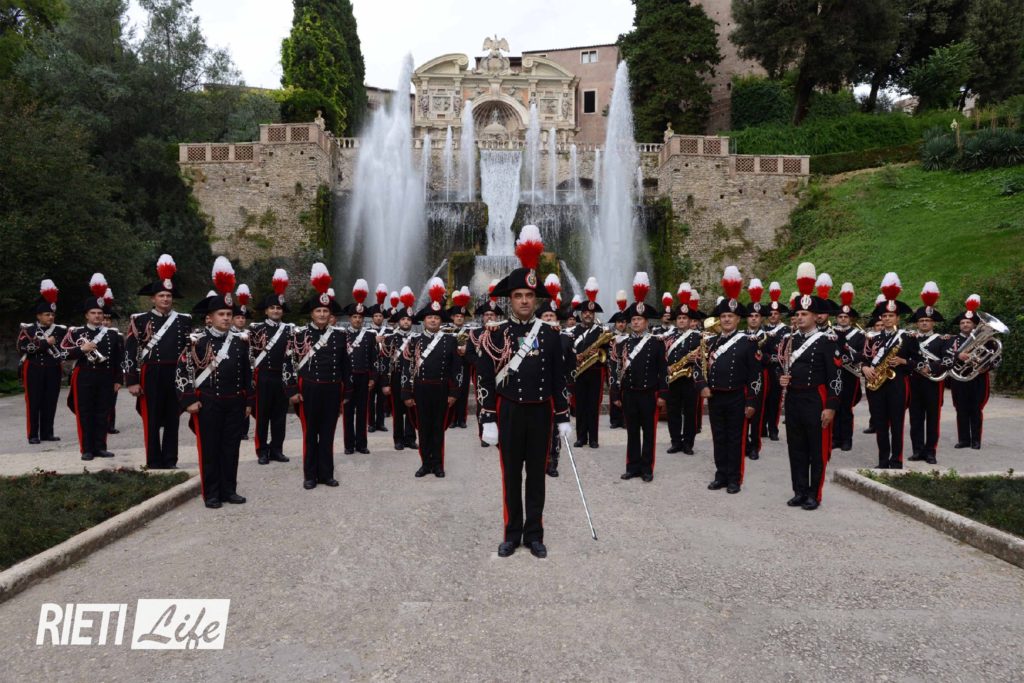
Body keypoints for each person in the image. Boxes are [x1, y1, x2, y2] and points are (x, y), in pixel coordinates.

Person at [476, 226, 571, 559]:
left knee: (537, 476)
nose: (525, 301)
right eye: (518, 296)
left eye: (530, 296)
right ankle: (511, 532)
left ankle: (534, 534)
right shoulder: (496, 334)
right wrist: (487, 418)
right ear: (510, 299)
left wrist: (562, 416)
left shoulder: (550, 334)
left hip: (541, 412)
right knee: (510, 475)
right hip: (510, 411)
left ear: (536, 299)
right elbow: (485, 379)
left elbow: (559, 378)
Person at [176, 259, 252, 509]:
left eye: (229, 314)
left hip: (234, 402)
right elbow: (183, 371)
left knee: (231, 448)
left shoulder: (240, 342)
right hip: (207, 401)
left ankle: (230, 490)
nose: (226, 318)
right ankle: (212, 493)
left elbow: (246, 373)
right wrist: (189, 401)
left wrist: (248, 401)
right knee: (210, 449)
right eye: (221, 314)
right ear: (209, 317)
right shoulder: (196, 341)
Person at [776, 264, 841, 510]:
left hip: (816, 398)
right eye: (797, 314)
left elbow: (836, 377)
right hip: (794, 398)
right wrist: (780, 379)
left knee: (817, 448)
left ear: (816, 316)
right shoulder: (788, 340)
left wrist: (831, 407)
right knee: (797, 448)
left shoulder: (827, 341)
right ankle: (799, 490)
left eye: (805, 314)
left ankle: (815, 493)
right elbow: (780, 366)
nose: (800, 317)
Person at [285, 263, 351, 490]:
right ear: (312, 314)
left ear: (330, 314)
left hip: (333, 389)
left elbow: (346, 366)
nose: (322, 314)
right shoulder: (299, 335)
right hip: (309, 389)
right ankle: (310, 475)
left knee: (328, 433)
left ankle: (326, 474)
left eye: (325, 311)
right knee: (310, 433)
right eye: (318, 311)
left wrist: (347, 392)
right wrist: (292, 390)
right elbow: (288, 363)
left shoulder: (340, 337)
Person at [124, 255, 193, 469]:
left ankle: (170, 460)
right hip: (151, 373)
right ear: (153, 299)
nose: (165, 299)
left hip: (175, 374)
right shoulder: (140, 320)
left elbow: (189, 353)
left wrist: (190, 380)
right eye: (161, 295)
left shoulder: (184, 320)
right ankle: (153, 461)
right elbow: (130, 352)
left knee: (173, 419)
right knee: (151, 420)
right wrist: (132, 380)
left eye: (169, 296)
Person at [703, 267, 761, 494]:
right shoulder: (711, 343)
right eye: (723, 316)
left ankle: (734, 479)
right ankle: (721, 475)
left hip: (737, 397)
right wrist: (702, 386)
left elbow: (755, 376)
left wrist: (752, 402)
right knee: (719, 437)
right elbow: (701, 369)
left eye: (730, 316)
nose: (726, 319)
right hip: (716, 396)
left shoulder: (748, 342)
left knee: (736, 439)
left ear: (738, 319)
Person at [402, 278, 464, 478]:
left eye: (437, 318)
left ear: (441, 321)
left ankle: (438, 464)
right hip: (420, 389)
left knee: (439, 429)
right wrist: (406, 392)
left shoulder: (450, 341)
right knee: (423, 428)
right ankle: (425, 463)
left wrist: (454, 392)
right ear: (424, 320)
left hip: (441, 389)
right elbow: (407, 368)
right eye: (430, 318)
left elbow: (457, 369)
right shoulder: (414, 341)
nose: (433, 320)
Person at [60, 273, 124, 460]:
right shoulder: (76, 332)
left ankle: (100, 447)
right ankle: (86, 449)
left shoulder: (112, 334)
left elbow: (119, 359)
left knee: (103, 412)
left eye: (100, 313)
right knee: (85, 412)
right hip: (84, 375)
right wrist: (82, 349)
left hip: (106, 376)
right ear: (87, 315)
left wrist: (118, 379)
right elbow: (62, 353)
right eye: (93, 313)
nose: (97, 316)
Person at [612, 273, 668, 482]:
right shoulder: (623, 344)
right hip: (630, 394)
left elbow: (664, 371)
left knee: (649, 433)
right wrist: (617, 393)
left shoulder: (656, 343)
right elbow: (617, 370)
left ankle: (647, 469)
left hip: (648, 394)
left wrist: (663, 394)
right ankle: (632, 466)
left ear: (646, 322)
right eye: (633, 319)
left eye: (639, 320)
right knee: (632, 432)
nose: (635, 322)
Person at [862, 273, 919, 469]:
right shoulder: (873, 338)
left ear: (898, 317)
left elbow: (918, 361)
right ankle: (882, 460)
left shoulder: (908, 337)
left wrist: (903, 360)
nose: (886, 319)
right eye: (884, 316)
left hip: (897, 385)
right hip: (876, 386)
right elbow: (864, 359)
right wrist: (866, 368)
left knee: (896, 424)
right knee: (880, 424)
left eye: (890, 316)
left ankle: (896, 461)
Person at [249, 269, 293, 465]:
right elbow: (249, 355)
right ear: (266, 310)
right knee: (262, 415)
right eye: (272, 308)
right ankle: (262, 451)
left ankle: (277, 449)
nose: (276, 311)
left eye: (279, 308)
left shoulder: (290, 330)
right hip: (263, 376)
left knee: (279, 416)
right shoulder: (255, 329)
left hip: (281, 377)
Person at [18, 279, 67, 445]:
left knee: (50, 401)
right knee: (34, 401)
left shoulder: (61, 330)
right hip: (34, 368)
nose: (51, 317)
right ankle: (33, 434)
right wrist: (45, 343)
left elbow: (64, 348)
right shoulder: (29, 329)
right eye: (47, 314)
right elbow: (22, 347)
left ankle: (48, 433)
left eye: (52, 314)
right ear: (39, 316)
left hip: (53, 368)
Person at [945, 294, 996, 450]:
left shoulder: (988, 341)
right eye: (962, 322)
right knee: (961, 409)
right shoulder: (951, 340)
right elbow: (944, 357)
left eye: (968, 322)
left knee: (975, 409)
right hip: (959, 379)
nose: (965, 324)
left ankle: (976, 440)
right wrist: (957, 355)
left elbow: (996, 359)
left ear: (975, 325)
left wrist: (986, 366)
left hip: (977, 378)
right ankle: (963, 440)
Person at [908, 282, 950, 464]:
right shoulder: (910, 339)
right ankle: (917, 450)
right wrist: (917, 366)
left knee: (933, 419)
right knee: (915, 418)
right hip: (914, 382)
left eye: (927, 320)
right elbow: (904, 357)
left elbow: (948, 360)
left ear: (933, 322)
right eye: (921, 321)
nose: (924, 323)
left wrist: (931, 368)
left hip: (933, 383)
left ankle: (930, 451)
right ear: (917, 323)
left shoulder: (942, 340)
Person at [663, 285, 704, 455]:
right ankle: (675, 442)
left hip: (689, 380)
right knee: (673, 412)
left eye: (684, 318)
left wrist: (698, 358)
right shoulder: (668, 337)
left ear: (689, 320)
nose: (681, 320)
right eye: (679, 317)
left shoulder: (698, 337)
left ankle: (688, 443)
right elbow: (663, 356)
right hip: (672, 379)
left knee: (690, 413)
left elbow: (705, 358)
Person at [570, 277, 608, 449]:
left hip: (595, 371)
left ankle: (593, 438)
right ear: (581, 314)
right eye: (585, 312)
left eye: (591, 313)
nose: (588, 315)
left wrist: (599, 352)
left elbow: (607, 351)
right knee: (580, 406)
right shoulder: (574, 331)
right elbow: (568, 350)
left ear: (593, 315)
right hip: (579, 372)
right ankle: (580, 437)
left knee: (593, 406)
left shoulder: (601, 332)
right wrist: (575, 357)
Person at [341, 279, 377, 455]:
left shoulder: (369, 336)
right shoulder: (341, 335)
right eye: (354, 317)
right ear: (350, 318)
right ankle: (349, 445)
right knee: (348, 412)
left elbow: (373, 359)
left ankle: (361, 444)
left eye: (360, 317)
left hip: (363, 377)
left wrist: (372, 377)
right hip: (348, 378)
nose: (357, 320)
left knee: (363, 412)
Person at [380, 288, 418, 450]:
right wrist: (384, 383)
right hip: (395, 377)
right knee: (397, 409)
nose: (406, 322)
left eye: (409, 320)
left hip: (412, 378)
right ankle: (398, 439)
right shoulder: (390, 338)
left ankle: (410, 438)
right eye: (403, 319)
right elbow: (384, 361)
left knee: (412, 408)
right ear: (399, 321)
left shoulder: (418, 339)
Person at [467, 292, 505, 447]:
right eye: (487, 314)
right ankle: (484, 434)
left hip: (501, 373)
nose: (490, 317)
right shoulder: (475, 333)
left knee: (501, 402)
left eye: (492, 314)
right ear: (482, 317)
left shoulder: (504, 332)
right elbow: (469, 354)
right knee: (482, 401)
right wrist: (482, 364)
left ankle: (500, 432)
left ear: (497, 317)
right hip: (481, 374)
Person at [831, 283, 865, 452]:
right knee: (833, 406)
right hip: (833, 375)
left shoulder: (858, 335)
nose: (843, 319)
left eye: (846, 317)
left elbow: (864, 353)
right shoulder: (830, 334)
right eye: (840, 317)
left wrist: (849, 357)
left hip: (850, 374)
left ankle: (846, 439)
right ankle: (835, 438)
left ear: (851, 319)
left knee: (846, 408)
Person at [743, 278, 771, 460]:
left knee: (758, 411)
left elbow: (777, 357)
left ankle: (755, 446)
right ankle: (743, 443)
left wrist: (763, 356)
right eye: (751, 316)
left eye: (757, 316)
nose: (753, 318)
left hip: (761, 376)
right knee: (742, 411)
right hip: (741, 377)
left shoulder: (768, 336)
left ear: (761, 319)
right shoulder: (740, 336)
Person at [761, 282, 789, 443]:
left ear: (780, 315)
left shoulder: (785, 331)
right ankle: (762, 428)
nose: (773, 316)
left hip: (777, 369)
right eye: (770, 313)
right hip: (763, 368)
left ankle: (773, 429)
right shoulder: (763, 330)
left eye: (776, 313)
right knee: (762, 399)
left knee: (775, 400)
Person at [445, 286, 473, 429]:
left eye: (461, 317)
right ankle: (451, 419)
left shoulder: (470, 331)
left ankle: (461, 419)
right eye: (457, 316)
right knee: (451, 391)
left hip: (464, 363)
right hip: (450, 365)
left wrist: (466, 352)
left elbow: (473, 347)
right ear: (452, 317)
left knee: (463, 391)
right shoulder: (446, 331)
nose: (459, 318)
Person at [367, 283, 390, 433]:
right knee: (370, 399)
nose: (378, 318)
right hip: (371, 368)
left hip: (384, 368)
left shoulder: (389, 330)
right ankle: (370, 423)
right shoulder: (367, 332)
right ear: (372, 317)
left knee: (382, 398)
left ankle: (380, 422)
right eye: (375, 315)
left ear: (383, 317)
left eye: (380, 315)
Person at [101, 290, 123, 437]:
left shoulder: (117, 336)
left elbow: (120, 358)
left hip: (111, 372)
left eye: (108, 320)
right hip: (95, 372)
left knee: (111, 402)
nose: (106, 322)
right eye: (104, 319)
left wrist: (118, 379)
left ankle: (110, 425)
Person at [606, 290, 629, 430]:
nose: (621, 324)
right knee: (613, 391)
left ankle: (625, 419)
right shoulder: (609, 336)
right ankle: (614, 420)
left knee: (625, 393)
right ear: (615, 323)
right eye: (619, 322)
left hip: (625, 366)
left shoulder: (629, 337)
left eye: (623, 322)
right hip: (612, 365)